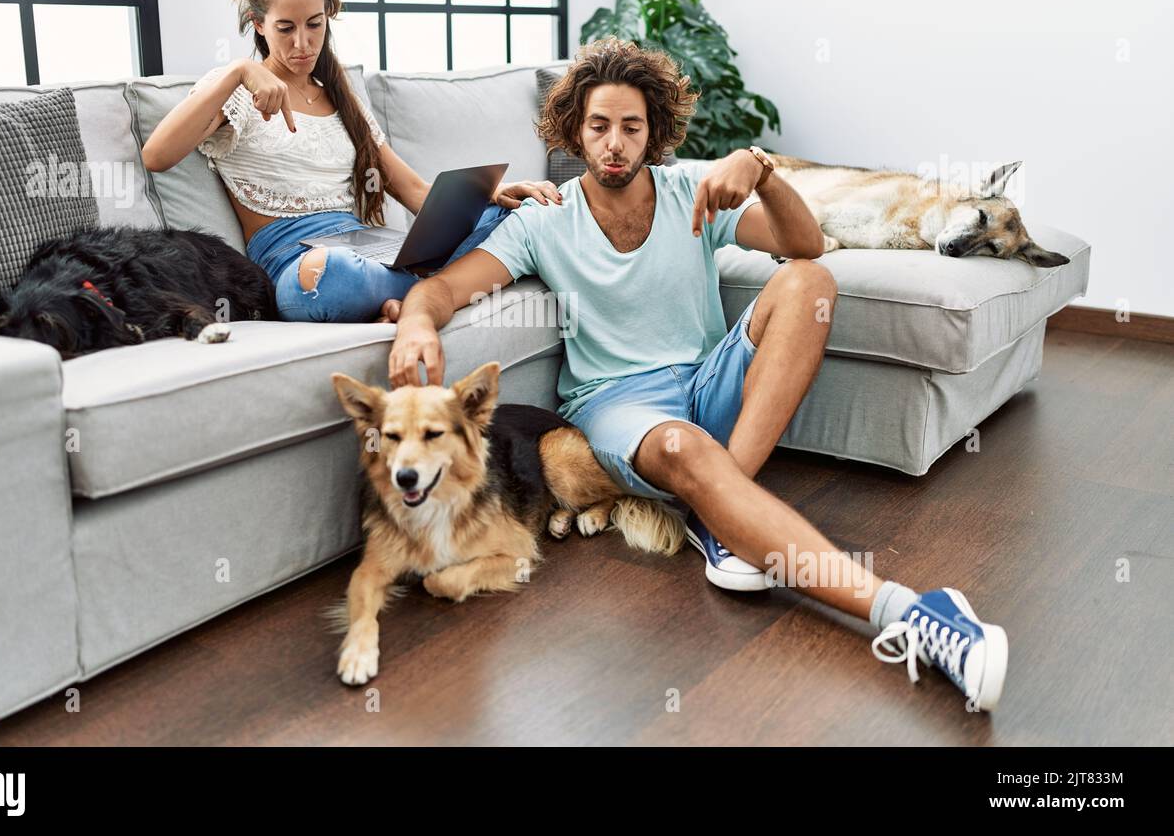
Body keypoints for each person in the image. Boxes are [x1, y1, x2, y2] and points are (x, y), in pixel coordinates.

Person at [385, 37, 1009, 712]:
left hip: (712, 379)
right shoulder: (544, 218)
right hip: (623, 408)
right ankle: (915, 615)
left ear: (654, 131)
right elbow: (442, 291)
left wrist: (763, 170)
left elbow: (806, 246)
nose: (614, 144)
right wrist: (418, 322)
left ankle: (719, 515)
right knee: (686, 451)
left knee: (810, 284)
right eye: (599, 127)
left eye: (631, 127)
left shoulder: (689, 191)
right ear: (576, 132)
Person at [142, 0, 561, 323]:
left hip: (372, 249)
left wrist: (495, 192)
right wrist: (238, 71)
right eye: (285, 28)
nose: (302, 43)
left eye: (314, 24)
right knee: (331, 276)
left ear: (328, 16)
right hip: (300, 262)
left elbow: (414, 191)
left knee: (522, 216)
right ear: (258, 24)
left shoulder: (340, 97)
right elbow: (156, 155)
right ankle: (426, 293)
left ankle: (406, 293)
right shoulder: (236, 89)